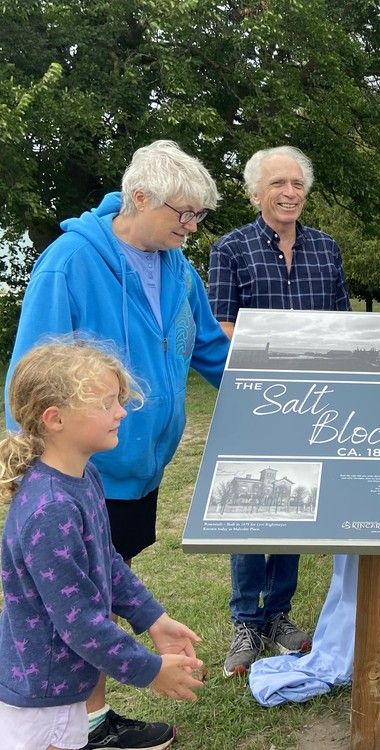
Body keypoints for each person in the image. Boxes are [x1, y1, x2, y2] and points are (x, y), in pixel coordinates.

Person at [4, 140, 229, 750]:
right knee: (81, 597)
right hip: (80, 467)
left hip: (139, 465)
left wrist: (268, 389)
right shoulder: (71, 261)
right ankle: (91, 724)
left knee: (107, 578)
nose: (191, 227)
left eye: (199, 216)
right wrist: (34, 463)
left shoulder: (179, 266)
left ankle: (91, 719)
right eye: (182, 213)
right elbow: (32, 368)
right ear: (138, 199)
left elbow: (206, 345)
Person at [0, 342, 204, 750]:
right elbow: (80, 621)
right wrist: (150, 670)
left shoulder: (84, 476)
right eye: (107, 403)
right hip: (46, 686)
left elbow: (106, 560)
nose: (121, 412)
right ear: (55, 419)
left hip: (64, 677)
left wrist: (153, 618)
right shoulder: (51, 510)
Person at [209, 146, 350, 677]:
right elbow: (220, 328)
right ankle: (247, 619)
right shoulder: (231, 249)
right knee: (250, 503)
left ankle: (279, 615)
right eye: (278, 184)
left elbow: (340, 326)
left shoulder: (325, 249)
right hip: (255, 396)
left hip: (314, 399)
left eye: (297, 184)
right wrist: (283, 351)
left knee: (297, 497)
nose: (289, 193)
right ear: (255, 193)